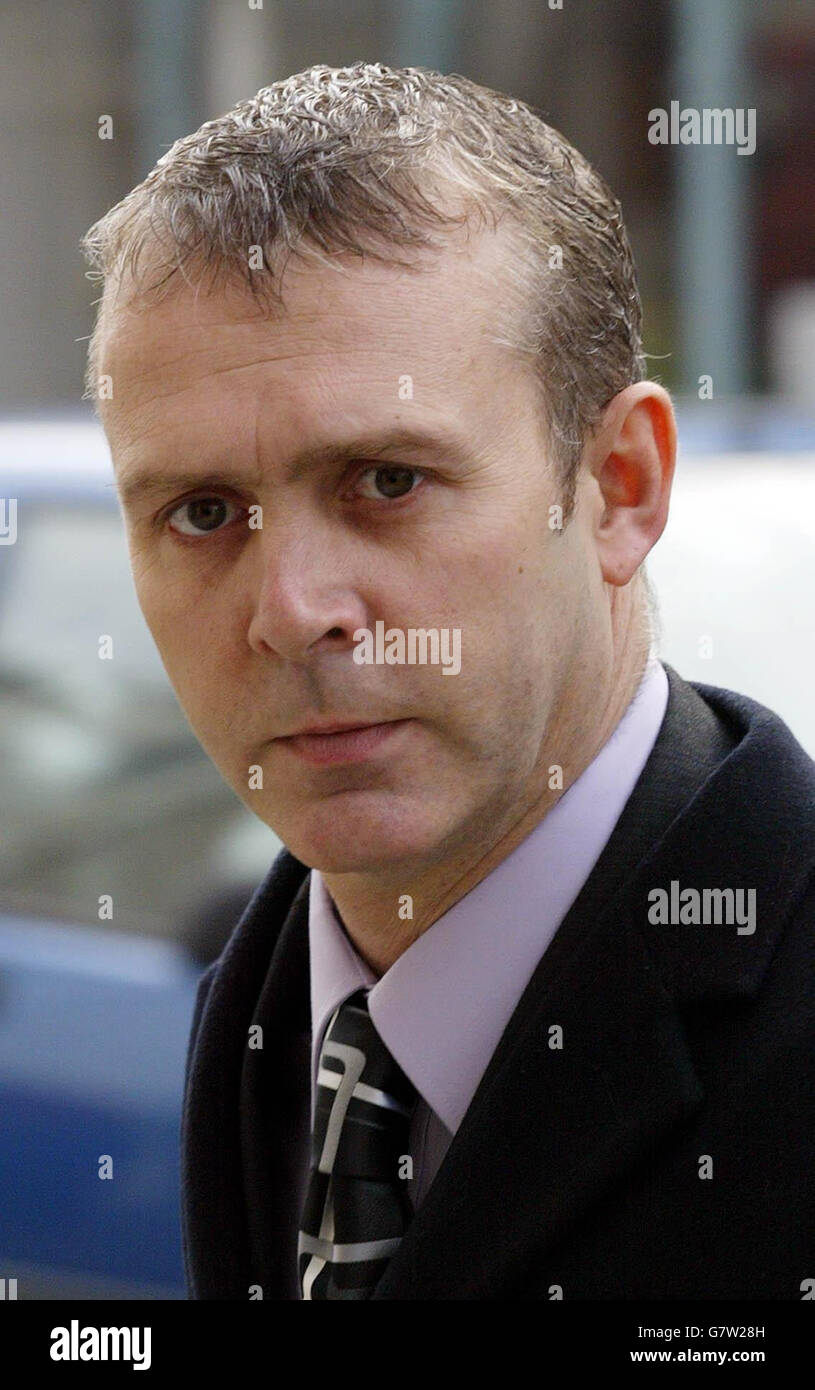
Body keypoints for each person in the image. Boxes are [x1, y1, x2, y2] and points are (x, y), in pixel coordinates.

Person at [81, 62, 815, 1300]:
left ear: (618, 488)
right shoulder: (276, 1004)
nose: (291, 612)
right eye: (203, 511)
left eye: (385, 481)